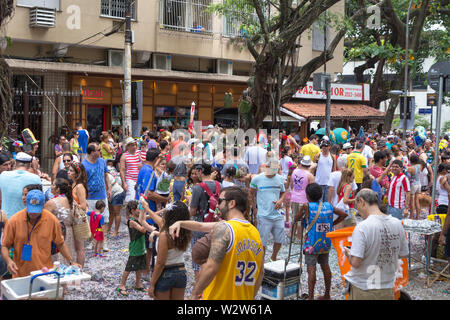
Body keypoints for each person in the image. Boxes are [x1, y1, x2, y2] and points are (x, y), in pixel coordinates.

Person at [187, 186, 264, 300]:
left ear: (231, 203)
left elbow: (211, 267)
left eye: (220, 201)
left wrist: (194, 294)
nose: (217, 205)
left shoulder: (225, 228)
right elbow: (261, 273)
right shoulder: (255, 232)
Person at [343, 189, 409, 300]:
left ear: (362, 201)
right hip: (387, 288)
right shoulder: (397, 223)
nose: (357, 211)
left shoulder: (363, 227)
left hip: (363, 288)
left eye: (357, 206)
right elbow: (403, 254)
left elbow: (355, 262)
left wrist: (348, 254)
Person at [1, 190, 81, 278]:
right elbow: (5, 245)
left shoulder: (52, 220)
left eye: (36, 210)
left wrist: (71, 261)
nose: (33, 213)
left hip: (45, 273)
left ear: (43, 205)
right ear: (25, 204)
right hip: (20, 273)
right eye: (30, 209)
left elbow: (60, 243)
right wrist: (8, 261)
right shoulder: (14, 221)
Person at [294, 183, 347, 300]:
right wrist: (332, 224)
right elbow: (344, 214)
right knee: (325, 266)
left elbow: (296, 218)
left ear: (307, 195)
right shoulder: (329, 206)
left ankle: (311, 297)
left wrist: (301, 213)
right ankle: (327, 295)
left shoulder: (307, 206)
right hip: (325, 242)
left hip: (311, 244)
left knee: (311, 269)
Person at [141, 200, 192, 300]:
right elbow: (157, 219)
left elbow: (160, 263)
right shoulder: (185, 231)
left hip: (166, 273)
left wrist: (152, 284)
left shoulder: (165, 234)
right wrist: (146, 208)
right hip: (181, 272)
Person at [135, 148, 167, 280]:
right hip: (149, 211)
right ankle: (147, 271)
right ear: (156, 159)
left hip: (142, 208)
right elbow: (149, 193)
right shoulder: (149, 171)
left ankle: (145, 269)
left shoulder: (143, 168)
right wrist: (165, 199)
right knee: (150, 243)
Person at [250, 158, 286, 261]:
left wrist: (280, 201)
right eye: (274, 169)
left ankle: (273, 257)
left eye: (277, 169)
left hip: (278, 214)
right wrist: (254, 208)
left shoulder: (279, 179)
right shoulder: (257, 179)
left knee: (280, 239)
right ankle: (261, 261)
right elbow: (251, 193)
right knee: (262, 241)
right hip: (263, 215)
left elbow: (283, 192)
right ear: (267, 167)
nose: (275, 171)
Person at [189, 163, 220, 280]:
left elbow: (192, 211)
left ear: (201, 172)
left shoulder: (197, 188)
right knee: (213, 258)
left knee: (198, 259)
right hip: (216, 227)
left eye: (197, 171)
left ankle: (199, 289)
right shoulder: (219, 185)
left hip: (199, 227)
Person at [117, 200, 152, 296]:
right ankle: (122, 285)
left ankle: (138, 283)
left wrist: (162, 211)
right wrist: (144, 215)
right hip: (135, 248)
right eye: (138, 209)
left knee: (139, 267)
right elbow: (143, 229)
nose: (139, 211)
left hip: (141, 247)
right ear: (132, 210)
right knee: (129, 267)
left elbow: (149, 217)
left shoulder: (138, 218)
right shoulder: (131, 221)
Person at [82, 143, 111, 251]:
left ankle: (104, 241)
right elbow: (82, 181)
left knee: (105, 219)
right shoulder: (84, 164)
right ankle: (92, 240)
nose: (100, 152)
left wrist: (109, 188)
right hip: (90, 196)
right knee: (91, 220)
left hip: (102, 195)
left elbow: (105, 175)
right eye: (98, 150)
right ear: (92, 152)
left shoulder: (102, 161)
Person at [43, 178, 76, 264]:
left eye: (53, 184)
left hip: (57, 233)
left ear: (58, 189)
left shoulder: (51, 203)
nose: (51, 186)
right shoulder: (70, 200)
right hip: (69, 232)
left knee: (57, 259)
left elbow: (43, 220)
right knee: (68, 256)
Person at [0, 152, 41, 218]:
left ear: (15, 163)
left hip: (6, 221)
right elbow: (37, 202)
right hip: (24, 221)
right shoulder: (35, 178)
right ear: (30, 164)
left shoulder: (3, 175)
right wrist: (35, 170)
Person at [67, 162, 88, 266]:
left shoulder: (79, 186)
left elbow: (83, 205)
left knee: (80, 248)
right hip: (74, 218)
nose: (68, 172)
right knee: (76, 247)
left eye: (71, 171)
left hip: (78, 219)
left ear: (77, 173)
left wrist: (72, 207)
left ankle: (81, 269)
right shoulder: (73, 184)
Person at [290, 155, 315, 239]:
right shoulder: (310, 175)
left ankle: (292, 235)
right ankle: (299, 237)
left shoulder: (294, 172)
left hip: (294, 197)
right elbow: (312, 191)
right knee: (303, 220)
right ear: (309, 165)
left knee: (294, 218)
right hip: (304, 199)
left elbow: (291, 185)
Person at [106, 159, 125, 238]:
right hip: (112, 195)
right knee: (111, 212)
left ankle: (116, 231)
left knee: (116, 213)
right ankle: (108, 229)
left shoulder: (107, 176)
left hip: (118, 193)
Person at [120, 137, 142, 203]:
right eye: (132, 145)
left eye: (135, 145)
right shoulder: (124, 156)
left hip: (140, 179)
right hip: (130, 180)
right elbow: (122, 170)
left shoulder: (139, 153)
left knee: (140, 200)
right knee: (131, 200)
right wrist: (124, 183)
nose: (134, 147)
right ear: (128, 146)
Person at [407, 154, 424, 220]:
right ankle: (418, 216)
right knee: (417, 201)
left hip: (413, 184)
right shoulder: (420, 166)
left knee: (412, 201)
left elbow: (408, 177)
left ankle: (411, 216)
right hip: (419, 183)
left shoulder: (411, 168)